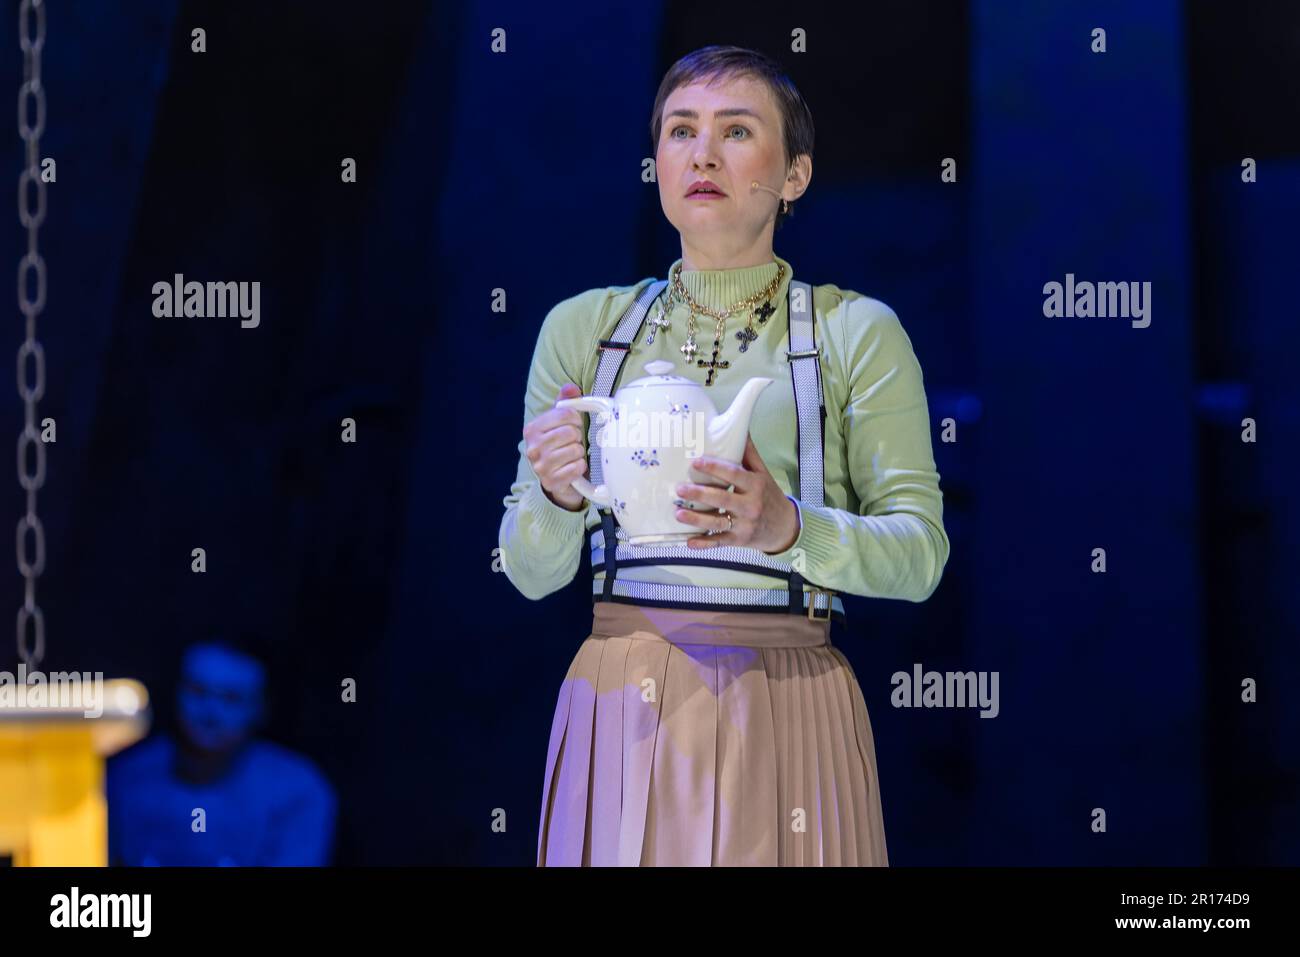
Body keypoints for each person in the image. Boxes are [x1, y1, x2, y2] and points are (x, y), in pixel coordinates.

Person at [499, 45, 949, 866]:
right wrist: (557, 497)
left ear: (795, 176)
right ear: (658, 163)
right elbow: (527, 572)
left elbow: (920, 558)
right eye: (680, 131)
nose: (701, 153)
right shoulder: (583, 329)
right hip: (618, 702)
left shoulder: (854, 332)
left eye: (736, 130)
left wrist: (789, 527)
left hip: (788, 696)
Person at [107, 636, 337, 866]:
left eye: (231, 699)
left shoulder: (297, 790)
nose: (210, 713)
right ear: (175, 692)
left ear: (261, 708)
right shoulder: (125, 777)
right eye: (198, 691)